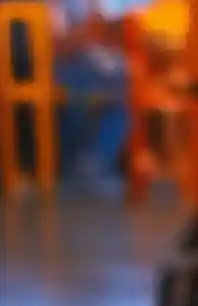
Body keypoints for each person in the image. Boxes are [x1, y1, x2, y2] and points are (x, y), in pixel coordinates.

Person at [50, 0, 139, 191]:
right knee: (99, 91)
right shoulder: (48, 7)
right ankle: (83, 165)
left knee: (124, 81)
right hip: (58, 69)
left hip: (85, 62)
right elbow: (51, 45)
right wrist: (88, 33)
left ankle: (97, 162)